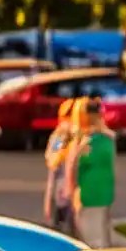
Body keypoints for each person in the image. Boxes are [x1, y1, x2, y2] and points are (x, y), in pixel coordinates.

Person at [63, 98, 116, 248]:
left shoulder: (85, 143)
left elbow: (71, 168)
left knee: (92, 242)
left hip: (88, 196)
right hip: (104, 195)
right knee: (102, 239)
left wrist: (71, 193)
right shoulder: (108, 139)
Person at [43, 99, 77, 233]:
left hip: (74, 193)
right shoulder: (59, 138)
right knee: (59, 229)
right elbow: (52, 163)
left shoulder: (80, 137)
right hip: (60, 192)